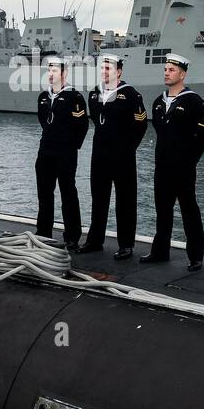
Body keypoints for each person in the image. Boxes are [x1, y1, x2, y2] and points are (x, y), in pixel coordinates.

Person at [141, 54, 204, 271]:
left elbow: (203, 135)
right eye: (165, 69)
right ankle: (160, 251)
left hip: (183, 168)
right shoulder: (158, 102)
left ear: (182, 74)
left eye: (171, 70)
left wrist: (190, 160)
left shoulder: (194, 102)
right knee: (162, 210)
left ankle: (196, 256)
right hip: (162, 166)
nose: (166, 73)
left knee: (189, 210)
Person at [79, 54, 147, 259]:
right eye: (103, 68)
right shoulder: (94, 94)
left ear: (119, 72)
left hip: (123, 157)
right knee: (98, 199)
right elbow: (96, 120)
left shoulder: (131, 95)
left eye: (109, 69)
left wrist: (127, 148)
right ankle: (94, 240)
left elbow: (141, 125)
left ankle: (126, 245)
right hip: (100, 155)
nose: (105, 72)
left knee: (125, 201)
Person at [34, 55, 88, 251]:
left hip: (65, 152)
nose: (50, 74)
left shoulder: (75, 97)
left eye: (55, 71)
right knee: (44, 194)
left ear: (64, 73)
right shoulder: (43, 97)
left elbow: (81, 126)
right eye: (49, 70)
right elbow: (44, 122)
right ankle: (43, 233)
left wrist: (70, 146)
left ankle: (72, 236)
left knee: (68, 194)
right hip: (45, 151)